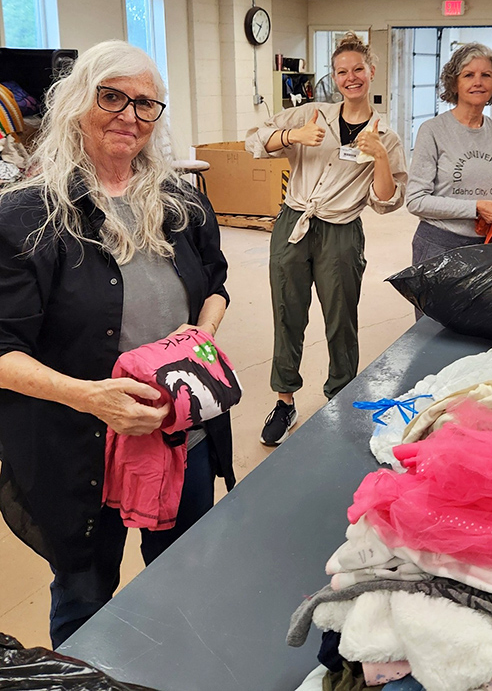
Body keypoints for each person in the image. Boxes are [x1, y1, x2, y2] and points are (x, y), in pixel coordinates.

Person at [0, 40, 233, 648]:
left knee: (186, 579)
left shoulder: (182, 203)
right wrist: (91, 397)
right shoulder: (28, 216)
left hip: (183, 434)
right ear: (79, 101)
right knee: (85, 600)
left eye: (146, 104)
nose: (130, 114)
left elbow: (216, 285)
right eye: (113, 96)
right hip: (84, 445)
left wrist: (198, 341)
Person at [246, 32, 406, 447]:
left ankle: (341, 395)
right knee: (287, 313)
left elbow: (386, 202)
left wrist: (382, 158)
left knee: (341, 318)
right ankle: (284, 400)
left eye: (358, 70)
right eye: (342, 72)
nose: (351, 77)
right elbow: (253, 140)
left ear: (371, 73)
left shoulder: (385, 135)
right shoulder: (310, 114)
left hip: (341, 232)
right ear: (333, 78)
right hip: (294, 224)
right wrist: (290, 138)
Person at [406, 42, 492, 266]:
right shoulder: (433, 130)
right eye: (469, 75)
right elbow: (415, 200)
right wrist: (476, 208)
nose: (478, 82)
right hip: (439, 245)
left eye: (486, 75)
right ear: (455, 83)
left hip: (488, 245)